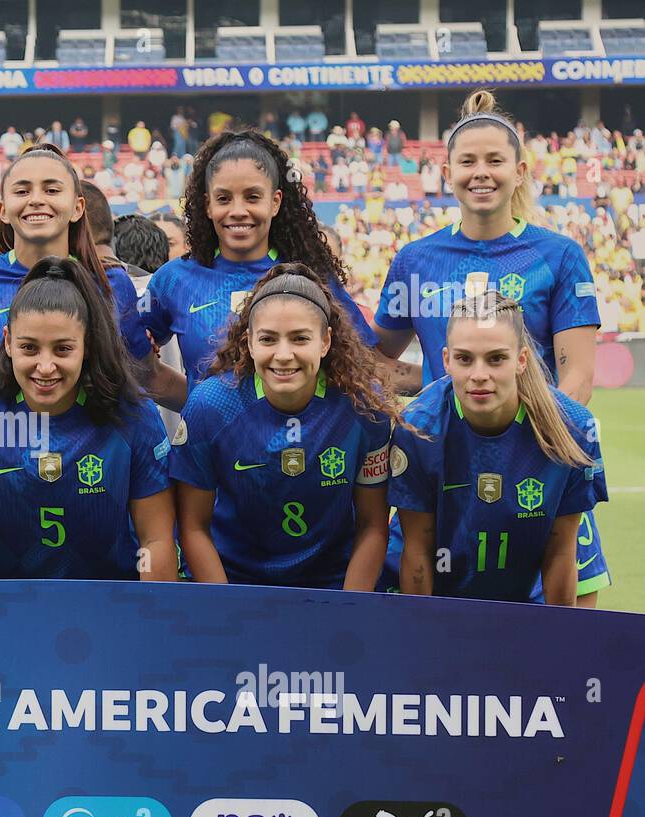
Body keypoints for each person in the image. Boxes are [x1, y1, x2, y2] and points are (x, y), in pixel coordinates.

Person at [372, 89, 610, 606]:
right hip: (445, 475)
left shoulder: (559, 255)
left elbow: (577, 381)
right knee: (432, 644)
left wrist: (530, 458)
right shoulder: (415, 260)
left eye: (496, 161)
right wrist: (425, 398)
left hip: (538, 474)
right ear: (447, 172)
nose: (482, 172)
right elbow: (379, 363)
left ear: (520, 171)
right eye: (468, 161)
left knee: (560, 657)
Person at [0, 257, 176, 581]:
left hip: (110, 607)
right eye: (29, 348)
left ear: (87, 345)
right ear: (7, 342)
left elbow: (155, 540)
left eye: (62, 349)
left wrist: (146, 616)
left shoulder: (133, 414)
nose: (45, 367)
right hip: (3, 607)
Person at [171, 265, 404, 589]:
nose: (283, 355)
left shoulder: (363, 407)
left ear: (324, 342)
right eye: (268, 339)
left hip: (332, 584)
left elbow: (372, 525)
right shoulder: (210, 406)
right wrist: (226, 607)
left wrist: (351, 608)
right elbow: (193, 526)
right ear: (249, 342)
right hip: (235, 582)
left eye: (299, 338)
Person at [141, 130, 408, 398]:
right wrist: (195, 407)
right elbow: (134, 364)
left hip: (300, 441)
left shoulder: (311, 276)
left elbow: (369, 365)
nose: (238, 210)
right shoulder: (173, 279)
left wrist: (442, 379)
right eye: (224, 198)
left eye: (252, 197)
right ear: (208, 205)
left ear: (275, 202)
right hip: (205, 441)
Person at [391, 293, 606, 605]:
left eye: (496, 358)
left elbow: (560, 553)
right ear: (447, 360)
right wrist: (422, 631)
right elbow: (418, 550)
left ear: (521, 360)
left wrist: (560, 642)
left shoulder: (573, 429)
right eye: (465, 359)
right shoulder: (417, 429)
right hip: (437, 594)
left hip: (520, 597)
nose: (479, 374)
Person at [0, 144, 153, 387]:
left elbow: (148, 376)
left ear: (77, 208)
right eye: (22, 191)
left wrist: (197, 400)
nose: (36, 200)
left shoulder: (111, 284)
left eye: (52, 190)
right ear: (3, 210)